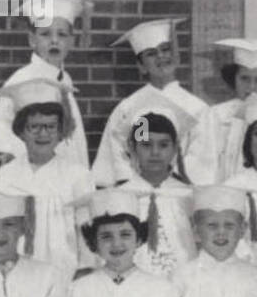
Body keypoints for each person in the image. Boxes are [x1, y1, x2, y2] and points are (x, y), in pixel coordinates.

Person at [93, 18, 217, 187]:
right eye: (151, 53)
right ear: (142, 66)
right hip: (135, 192)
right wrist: (133, 182)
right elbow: (116, 152)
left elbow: (202, 158)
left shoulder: (197, 109)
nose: (161, 56)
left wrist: (170, 183)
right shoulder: (129, 107)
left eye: (165, 49)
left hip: (180, 192)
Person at [0, 78, 96, 277]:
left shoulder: (78, 175)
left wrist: (85, 271)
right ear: (21, 131)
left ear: (60, 132)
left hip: (64, 270)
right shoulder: (7, 174)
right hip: (15, 271)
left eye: (50, 126)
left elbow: (86, 230)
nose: (43, 134)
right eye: (35, 127)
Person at [0, 0, 92, 171]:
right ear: (32, 40)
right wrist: (9, 156)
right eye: (45, 34)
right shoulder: (23, 79)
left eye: (61, 35)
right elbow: (0, 126)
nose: (54, 41)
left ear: (71, 41)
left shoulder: (64, 79)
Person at [119, 106, 196, 280]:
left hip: (183, 282)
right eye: (146, 145)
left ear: (175, 148)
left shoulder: (189, 195)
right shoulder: (120, 196)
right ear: (133, 148)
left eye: (163, 145)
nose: (155, 152)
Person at [205, 38, 257, 182]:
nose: (251, 87)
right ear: (235, 79)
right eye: (244, 78)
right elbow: (204, 162)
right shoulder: (216, 115)